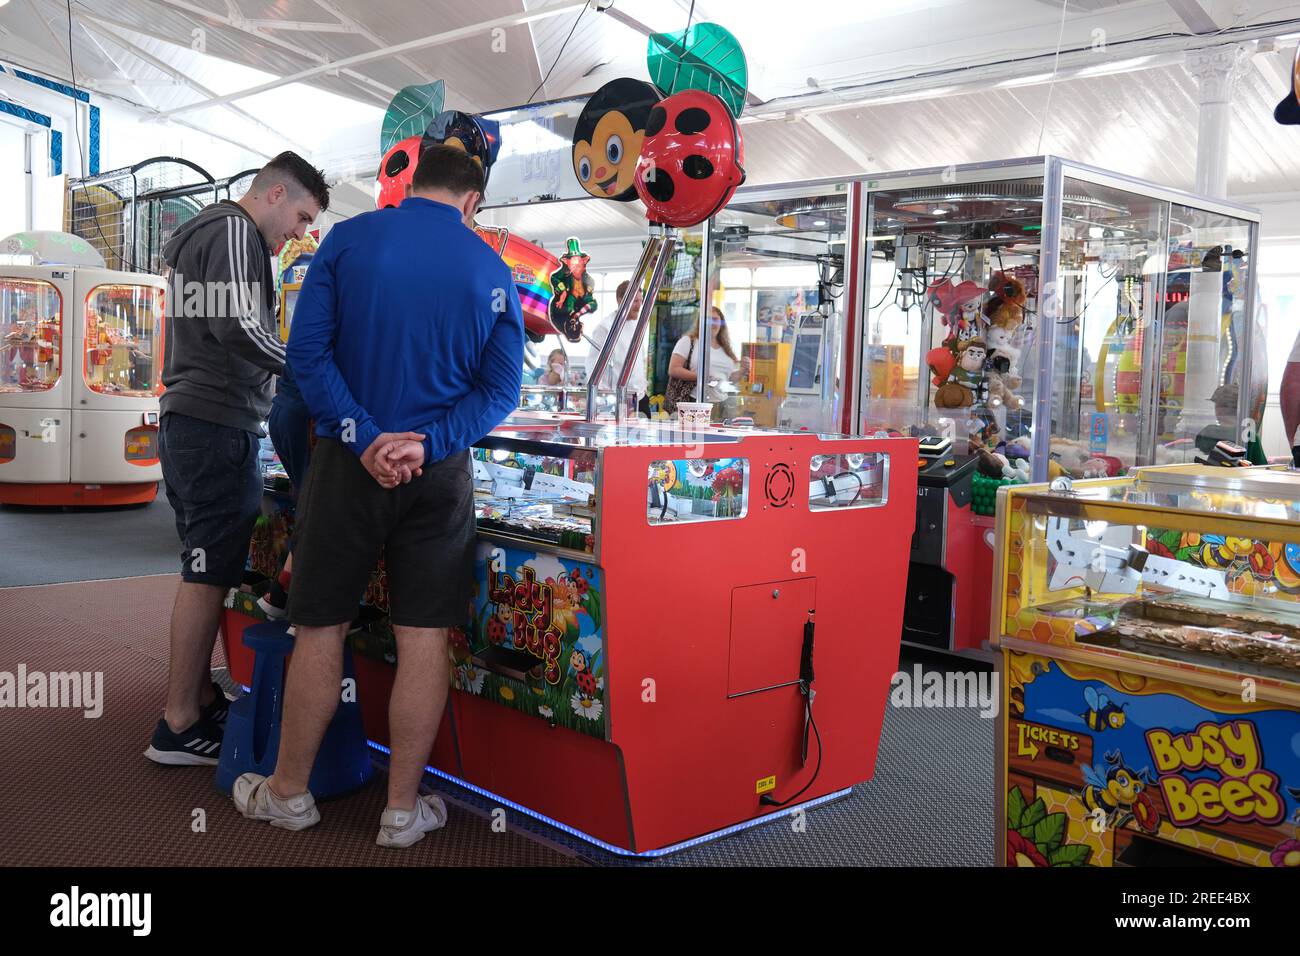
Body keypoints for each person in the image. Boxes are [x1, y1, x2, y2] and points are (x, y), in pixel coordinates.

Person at [232, 145, 524, 848]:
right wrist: (426, 442)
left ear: (410, 184)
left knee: (322, 625)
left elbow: (306, 354)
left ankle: (289, 793)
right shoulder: (490, 268)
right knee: (424, 635)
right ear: (472, 203)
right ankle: (401, 810)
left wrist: (365, 434)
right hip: (439, 476)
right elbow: (500, 391)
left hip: (345, 464)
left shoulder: (349, 241)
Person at [146, 152, 329, 766]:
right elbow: (237, 329)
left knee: (205, 563)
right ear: (274, 194)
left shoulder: (209, 233)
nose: (300, 234)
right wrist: (314, 369)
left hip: (199, 419)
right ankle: (178, 723)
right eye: (301, 216)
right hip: (214, 420)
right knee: (207, 572)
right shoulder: (231, 229)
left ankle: (195, 697)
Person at [667, 306, 749, 417]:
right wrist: (701, 376)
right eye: (707, 320)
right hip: (695, 402)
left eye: (715, 320)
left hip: (722, 404)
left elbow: (727, 378)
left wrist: (742, 371)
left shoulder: (726, 348)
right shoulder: (688, 341)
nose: (711, 323)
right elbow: (673, 369)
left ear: (721, 323)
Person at [587, 279, 648, 408]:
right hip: (617, 399)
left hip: (640, 396)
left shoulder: (637, 325)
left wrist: (644, 385)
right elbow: (593, 365)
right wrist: (603, 396)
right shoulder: (605, 328)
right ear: (621, 300)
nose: (639, 306)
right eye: (635, 301)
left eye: (640, 301)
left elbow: (640, 359)